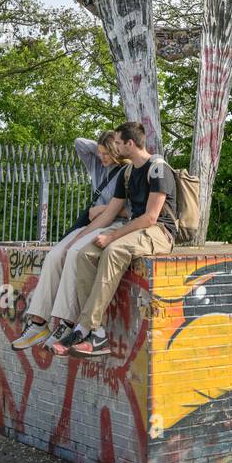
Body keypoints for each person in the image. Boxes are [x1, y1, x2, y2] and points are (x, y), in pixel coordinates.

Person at [51, 120, 175, 357]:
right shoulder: (127, 172)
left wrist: (112, 237)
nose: (115, 147)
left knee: (113, 250)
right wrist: (78, 239)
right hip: (136, 229)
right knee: (86, 254)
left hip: (160, 232)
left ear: (130, 143)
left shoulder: (158, 168)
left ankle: (84, 327)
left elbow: (150, 218)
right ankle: (97, 333)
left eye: (118, 143)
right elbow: (109, 212)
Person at [12, 131, 129, 351]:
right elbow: (79, 143)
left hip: (116, 223)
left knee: (74, 252)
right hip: (96, 222)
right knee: (56, 254)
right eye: (101, 152)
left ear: (118, 150)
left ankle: (66, 323)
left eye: (107, 153)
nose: (102, 157)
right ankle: (38, 324)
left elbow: (130, 210)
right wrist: (104, 143)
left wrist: (102, 209)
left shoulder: (128, 171)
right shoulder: (98, 165)